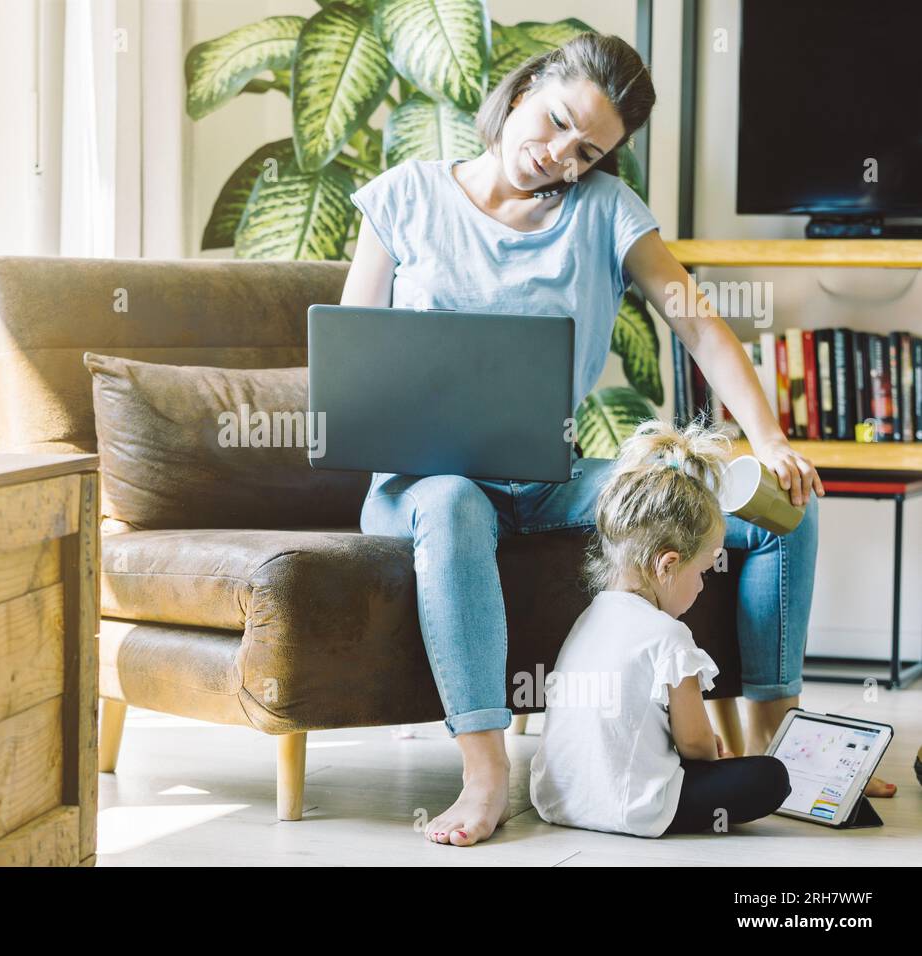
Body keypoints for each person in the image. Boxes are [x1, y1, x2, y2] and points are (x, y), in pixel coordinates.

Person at [341, 31, 894, 848]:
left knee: (782, 510)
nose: (560, 155)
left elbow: (698, 326)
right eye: (557, 122)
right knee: (455, 499)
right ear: (525, 88)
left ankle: (785, 738)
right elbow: (353, 355)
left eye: (587, 150)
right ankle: (485, 772)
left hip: (551, 479)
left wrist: (771, 439)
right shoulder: (406, 197)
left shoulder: (603, 212)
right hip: (428, 492)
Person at [528, 419, 791, 837]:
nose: (703, 586)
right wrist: (710, 749)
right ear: (667, 564)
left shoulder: (588, 618)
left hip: (556, 799)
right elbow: (697, 748)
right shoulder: (669, 636)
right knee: (771, 777)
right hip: (629, 808)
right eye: (703, 571)